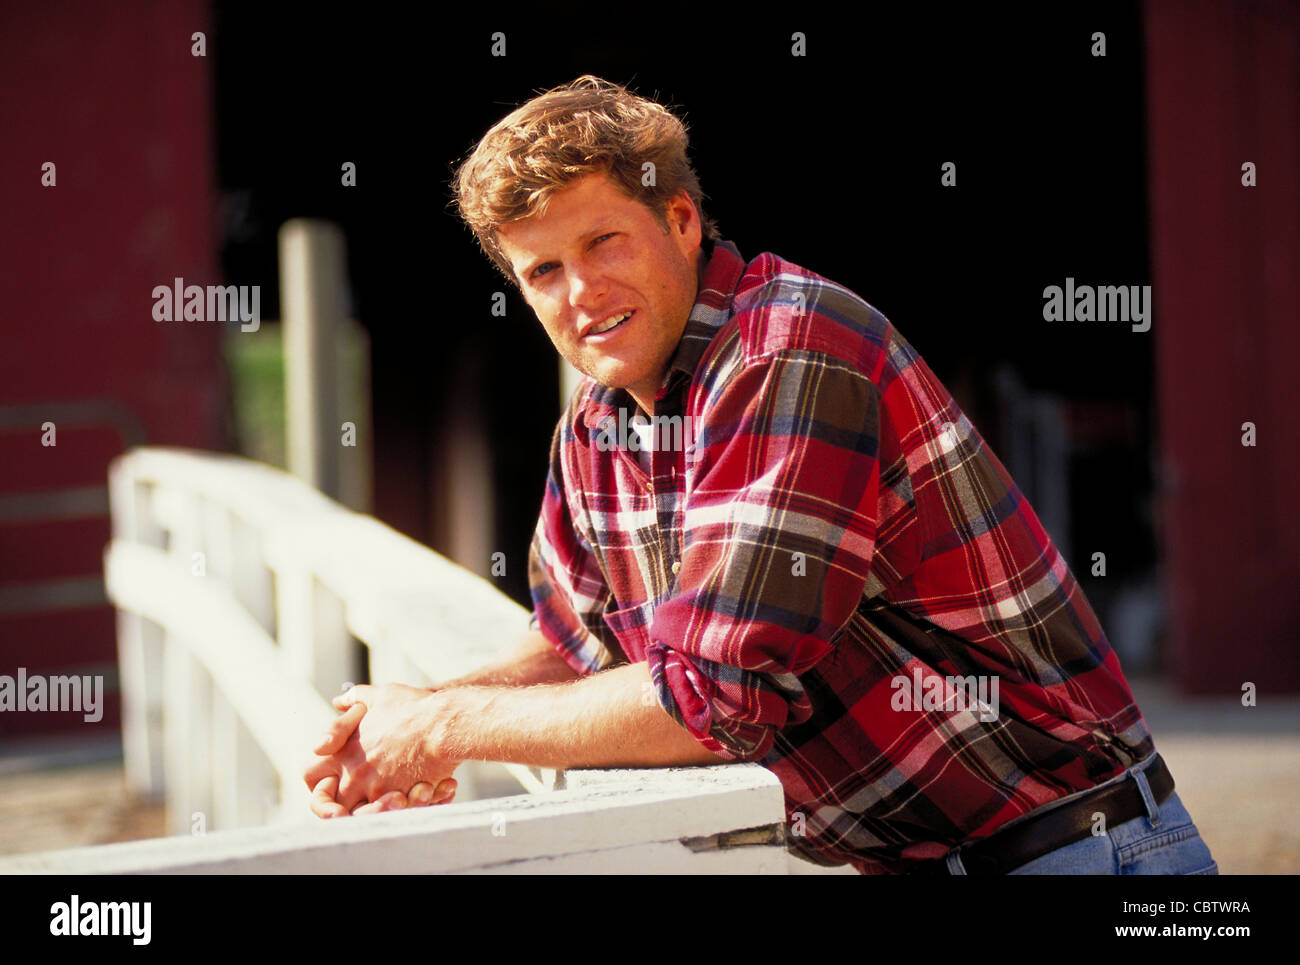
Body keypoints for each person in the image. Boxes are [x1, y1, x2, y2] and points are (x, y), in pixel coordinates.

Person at [303, 75, 1218, 875]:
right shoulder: (596, 425)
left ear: (682, 220)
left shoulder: (791, 354)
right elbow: (577, 649)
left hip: (1078, 851)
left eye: (604, 242)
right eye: (543, 269)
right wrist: (410, 720)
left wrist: (437, 733)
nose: (579, 292)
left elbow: (710, 701)